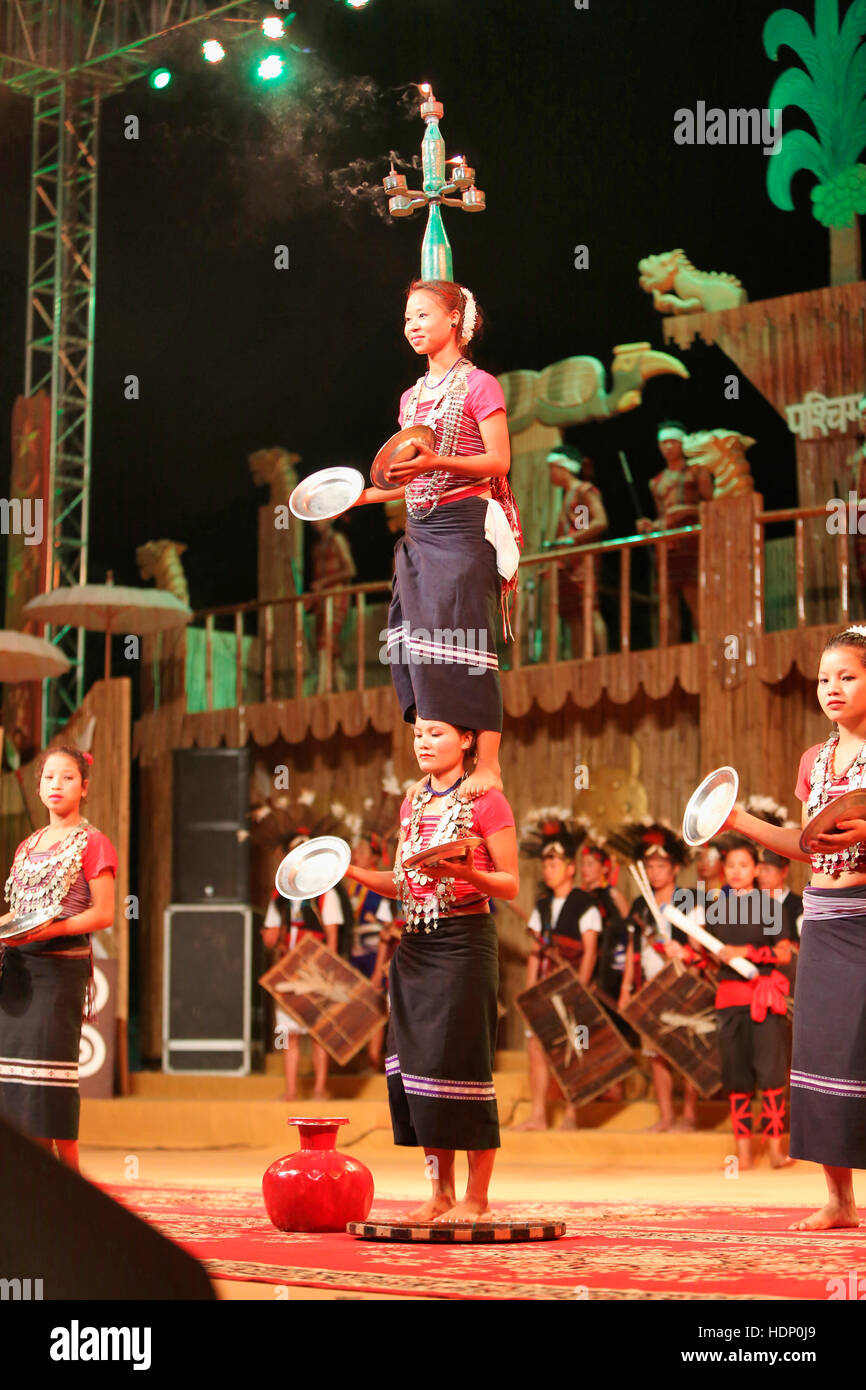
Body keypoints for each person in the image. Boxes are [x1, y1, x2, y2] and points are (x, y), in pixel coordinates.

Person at [345, 716, 519, 1222]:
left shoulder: (488, 800)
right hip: (415, 945)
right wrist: (349, 871)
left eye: (435, 733)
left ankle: (477, 1198)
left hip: (464, 944)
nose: (423, 742)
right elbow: (404, 883)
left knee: (462, 1064)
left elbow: (509, 884)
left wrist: (466, 872)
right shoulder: (412, 802)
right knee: (417, 1070)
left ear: (466, 739)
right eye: (418, 734)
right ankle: (440, 1192)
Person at [354, 280, 522, 799]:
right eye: (407, 318)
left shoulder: (481, 386)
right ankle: (441, 764)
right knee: (414, 647)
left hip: (463, 528)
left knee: (467, 642)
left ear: (454, 319)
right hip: (420, 534)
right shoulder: (411, 399)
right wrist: (361, 497)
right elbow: (410, 479)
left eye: (423, 315)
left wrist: (437, 462)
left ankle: (488, 764)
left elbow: (499, 461)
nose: (413, 326)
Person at [723, 624, 866, 1227]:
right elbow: (806, 843)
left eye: (848, 676)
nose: (832, 687)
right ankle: (839, 1199)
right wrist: (736, 820)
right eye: (824, 678)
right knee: (823, 1052)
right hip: (825, 921)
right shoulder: (815, 760)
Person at [0, 746, 117, 1171]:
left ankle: (68, 1180)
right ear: (38, 787)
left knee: (49, 1083)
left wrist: (51, 931)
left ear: (84, 788)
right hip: (17, 968)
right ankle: (29, 1177)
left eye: (67, 778)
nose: (56, 785)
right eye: (49, 777)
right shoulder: (27, 845)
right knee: (15, 1082)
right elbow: (18, 913)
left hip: (58, 969)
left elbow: (103, 914)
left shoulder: (93, 843)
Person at [711, 838, 796, 1172]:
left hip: (763, 997)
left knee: (771, 1072)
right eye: (731, 865)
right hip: (728, 1000)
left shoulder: (771, 907)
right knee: (736, 1075)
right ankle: (743, 1154)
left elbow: (785, 954)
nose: (736, 871)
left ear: (757, 869)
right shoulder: (715, 908)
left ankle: (776, 1150)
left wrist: (747, 952)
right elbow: (708, 957)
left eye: (743, 865)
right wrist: (684, 952)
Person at [617, 823, 704, 1132]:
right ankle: (666, 1116)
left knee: (687, 1049)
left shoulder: (690, 899)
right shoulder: (640, 904)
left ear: (675, 867)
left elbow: (698, 946)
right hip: (650, 985)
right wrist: (626, 988)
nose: (654, 872)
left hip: (683, 982)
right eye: (650, 866)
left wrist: (688, 967)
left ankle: (689, 1115)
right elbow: (633, 948)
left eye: (661, 866)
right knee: (656, 1051)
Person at [511, 837, 602, 1132]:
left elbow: (590, 952)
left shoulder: (586, 904)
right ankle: (539, 1115)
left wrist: (580, 990)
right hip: (545, 990)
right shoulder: (543, 906)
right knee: (536, 1046)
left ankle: (572, 1114)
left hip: (572, 988)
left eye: (554, 864)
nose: (548, 870)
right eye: (545, 865)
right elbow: (535, 953)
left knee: (573, 1050)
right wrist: (529, 991)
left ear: (570, 868)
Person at [261, 855, 343, 1101]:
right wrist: (270, 936)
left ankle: (319, 1088)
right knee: (288, 1032)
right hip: (288, 971)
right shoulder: (279, 898)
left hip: (315, 971)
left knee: (318, 1032)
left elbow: (332, 937)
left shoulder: (325, 894)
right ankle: (291, 1090)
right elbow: (271, 937)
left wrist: (327, 972)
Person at [636, 421, 713, 643]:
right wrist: (651, 525)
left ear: (682, 443)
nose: (668, 447)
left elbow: (714, 507)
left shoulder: (698, 471)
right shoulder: (656, 482)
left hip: (692, 542)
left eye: (673, 442)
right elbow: (663, 517)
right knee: (666, 605)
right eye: (664, 443)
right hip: (666, 547)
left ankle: (706, 646)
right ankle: (670, 652)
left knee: (694, 598)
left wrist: (688, 510)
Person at [546, 444, 609, 657]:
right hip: (570, 562)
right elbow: (581, 525)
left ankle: (601, 658)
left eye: (552, 468)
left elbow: (600, 521)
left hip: (583, 561)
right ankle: (580, 661)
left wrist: (571, 539)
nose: (550, 474)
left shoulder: (583, 491)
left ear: (563, 468)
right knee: (573, 613)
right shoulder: (570, 494)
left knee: (590, 608)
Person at [309, 518, 356, 693]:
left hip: (336, 598)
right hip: (323, 601)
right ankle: (341, 688)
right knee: (329, 646)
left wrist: (323, 583)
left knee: (326, 641)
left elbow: (350, 570)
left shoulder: (337, 540)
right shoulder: (317, 547)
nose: (315, 523)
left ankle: (322, 689)